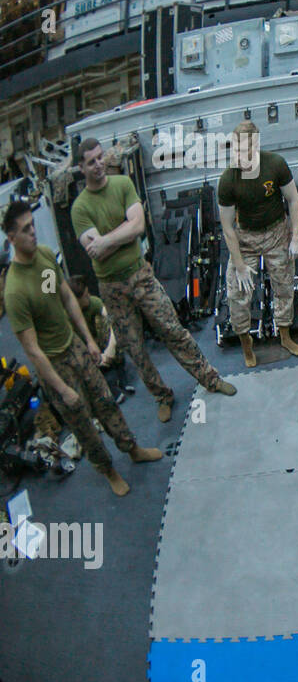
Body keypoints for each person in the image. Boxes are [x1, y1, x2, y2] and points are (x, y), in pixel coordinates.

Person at [4, 200, 163, 497]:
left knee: (106, 402)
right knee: (83, 425)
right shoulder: (14, 291)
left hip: (75, 346)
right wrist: (62, 389)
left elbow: (64, 299)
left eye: (33, 225)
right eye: (25, 230)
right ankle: (109, 471)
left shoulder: (45, 256)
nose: (33, 232)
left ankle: (132, 449)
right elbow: (33, 351)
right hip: (55, 366)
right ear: (11, 238)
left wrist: (89, 340)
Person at [70, 138, 236, 423]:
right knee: (135, 349)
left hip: (141, 276)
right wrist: (123, 232)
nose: (98, 165)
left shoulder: (122, 184)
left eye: (100, 158)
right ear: (80, 168)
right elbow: (94, 250)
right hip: (112, 288)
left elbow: (137, 226)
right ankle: (163, 396)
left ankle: (209, 377)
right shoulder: (79, 208)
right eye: (91, 162)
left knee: (173, 330)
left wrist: (113, 238)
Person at [217, 120, 298, 366]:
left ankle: (285, 336)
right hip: (245, 238)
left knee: (284, 286)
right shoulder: (228, 179)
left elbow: (294, 201)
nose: (238, 156)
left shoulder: (275, 164)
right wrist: (239, 264)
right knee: (237, 293)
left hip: (277, 231)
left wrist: (295, 237)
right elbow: (227, 227)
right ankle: (247, 344)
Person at [68, 275, 133, 403]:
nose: (89, 297)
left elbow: (113, 322)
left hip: (98, 343)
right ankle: (106, 386)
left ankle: (120, 372)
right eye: (85, 296)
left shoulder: (93, 302)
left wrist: (110, 350)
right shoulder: (66, 316)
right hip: (83, 349)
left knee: (108, 324)